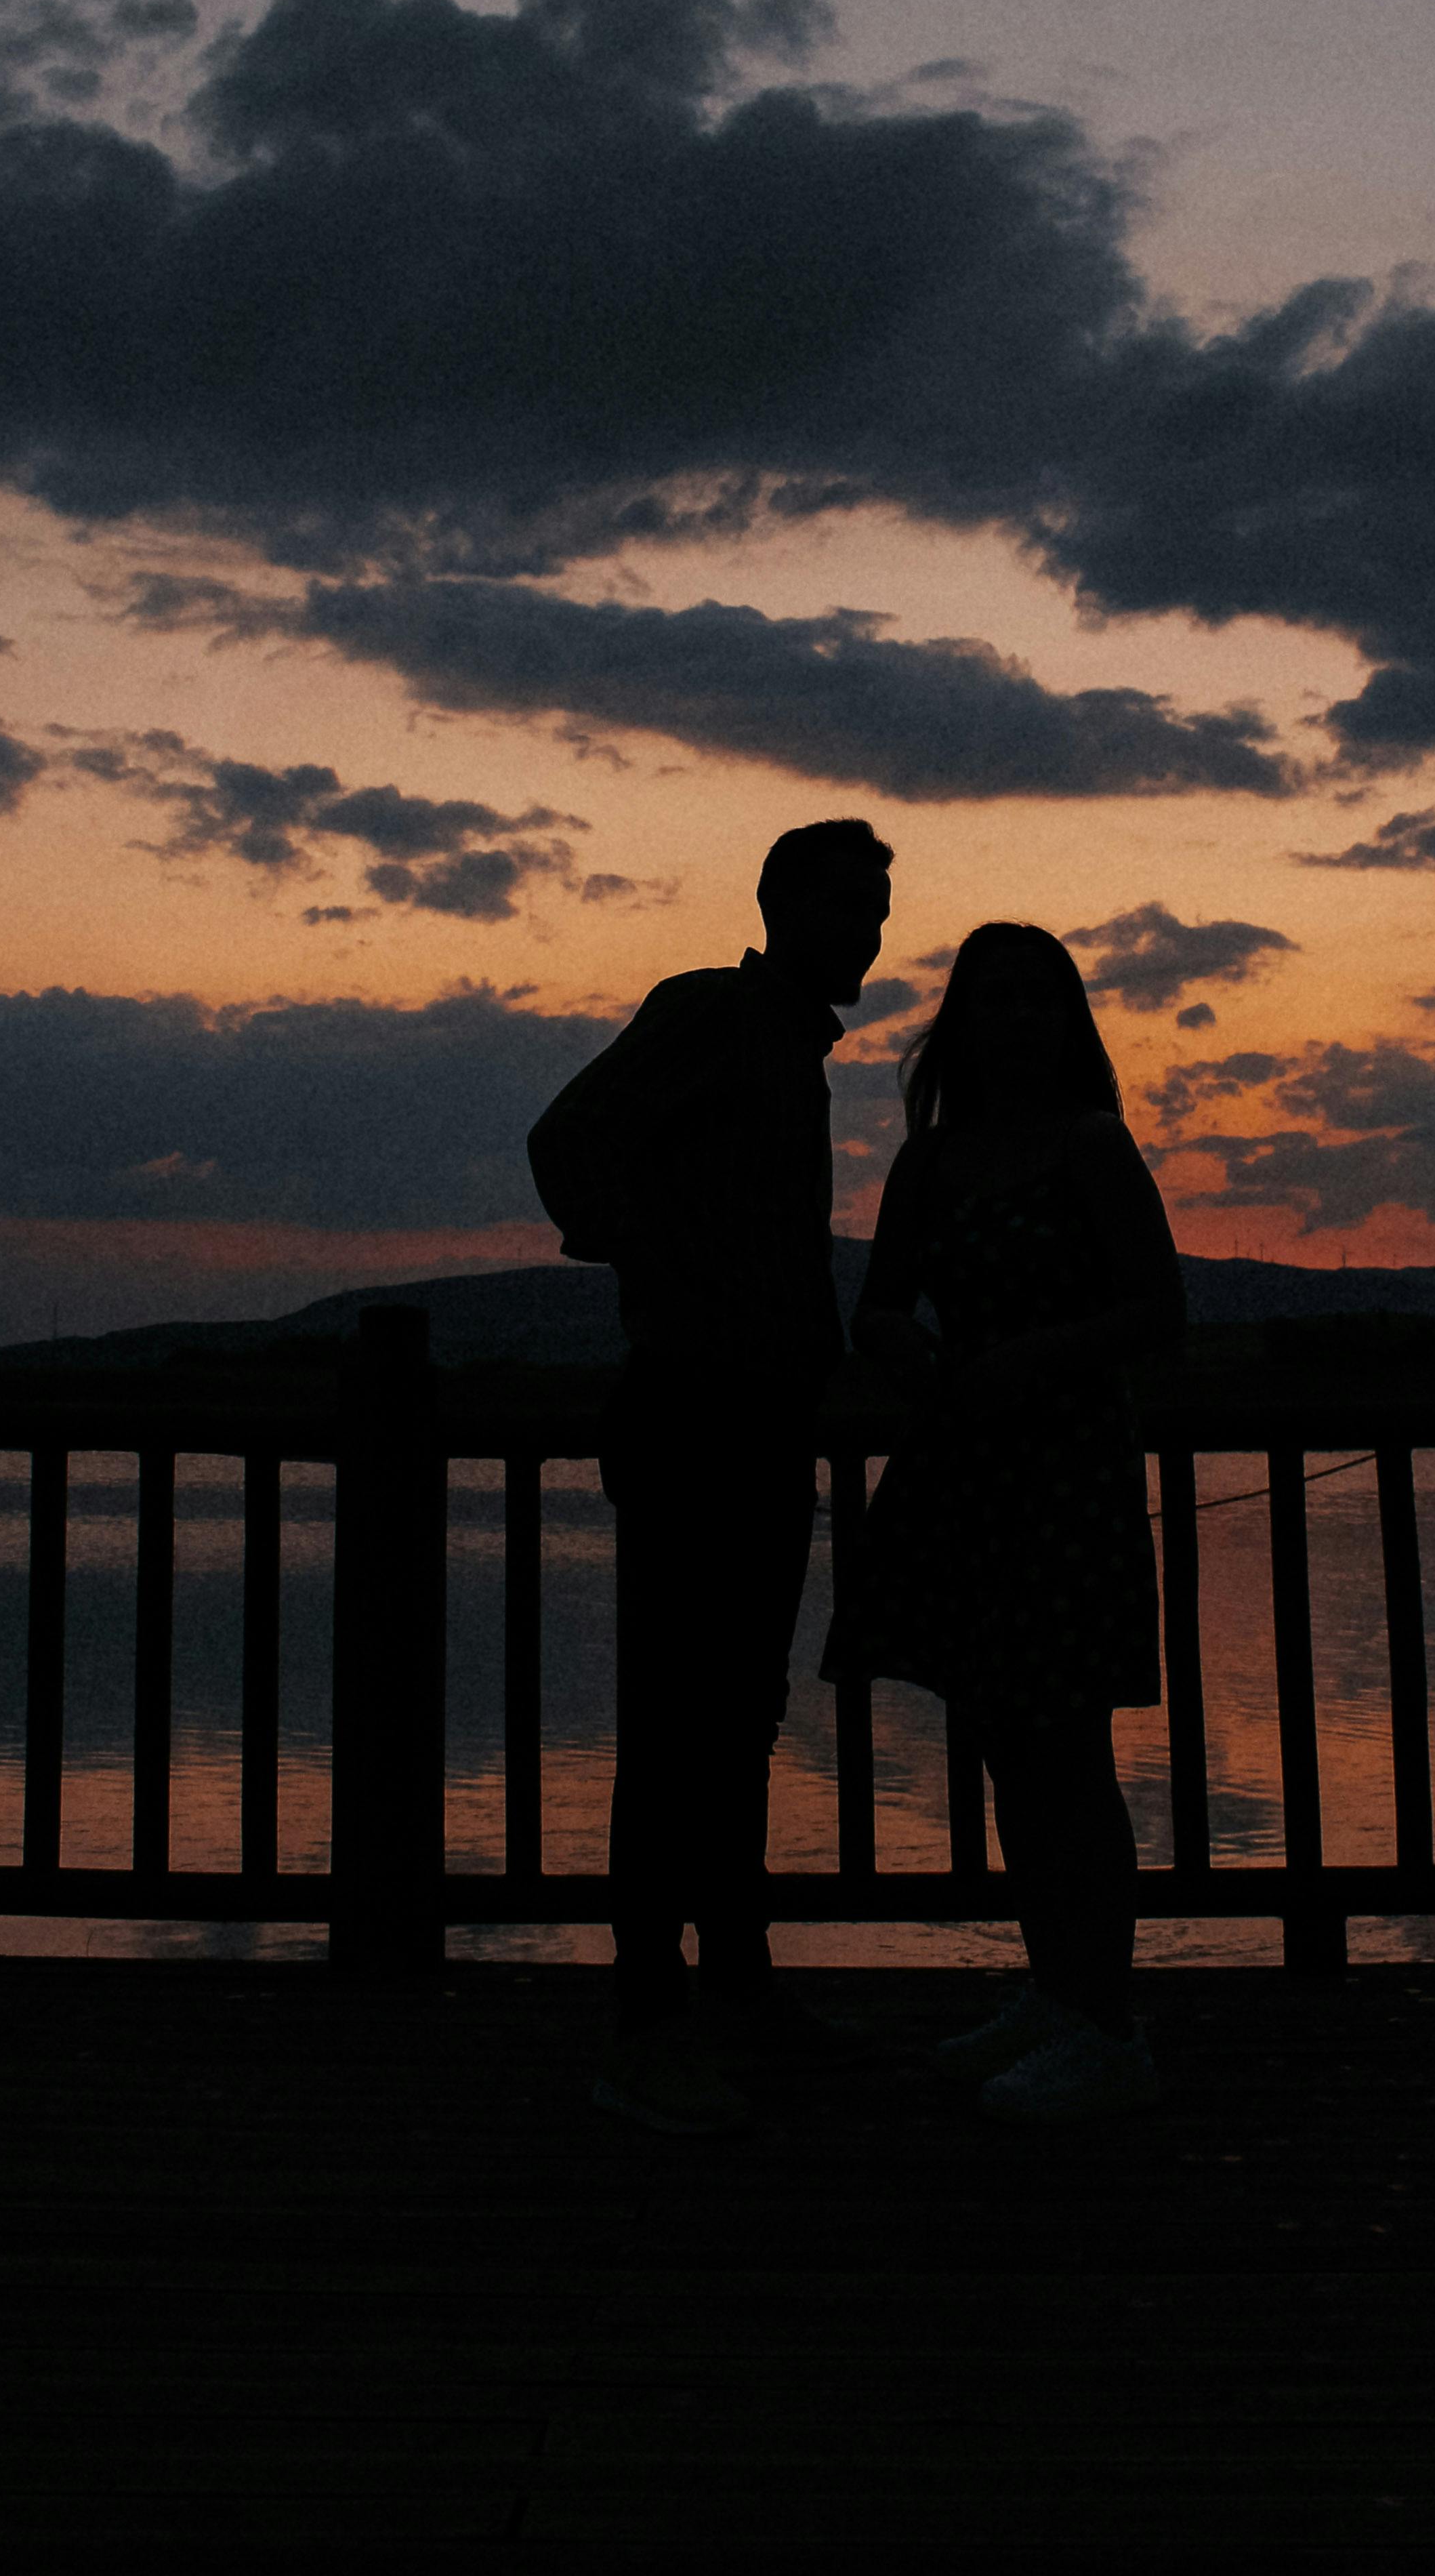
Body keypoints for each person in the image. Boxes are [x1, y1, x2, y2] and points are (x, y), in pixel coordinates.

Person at [526, 815, 894, 2138]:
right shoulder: (712, 1013)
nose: (869, 933)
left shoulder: (793, 1049)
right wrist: (663, 1272)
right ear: (784, 905)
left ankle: (735, 1988)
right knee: (678, 1727)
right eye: (849, 906)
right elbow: (567, 1141)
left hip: (764, 1424)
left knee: (737, 1721)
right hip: (693, 1416)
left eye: (879, 911)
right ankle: (644, 2028)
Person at [823, 921, 1184, 2127]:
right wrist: (901, 1348)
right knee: (1001, 1746)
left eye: (1043, 998)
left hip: (1066, 1476)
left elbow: (1157, 1309)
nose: (1020, 1018)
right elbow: (875, 1308)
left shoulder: (1091, 1145)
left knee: (1067, 1754)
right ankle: (1057, 1994)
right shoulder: (927, 1165)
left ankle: (1107, 2028)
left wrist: (1034, 1355)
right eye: (997, 999)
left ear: (1070, 1020)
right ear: (961, 1022)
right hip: (964, 1473)